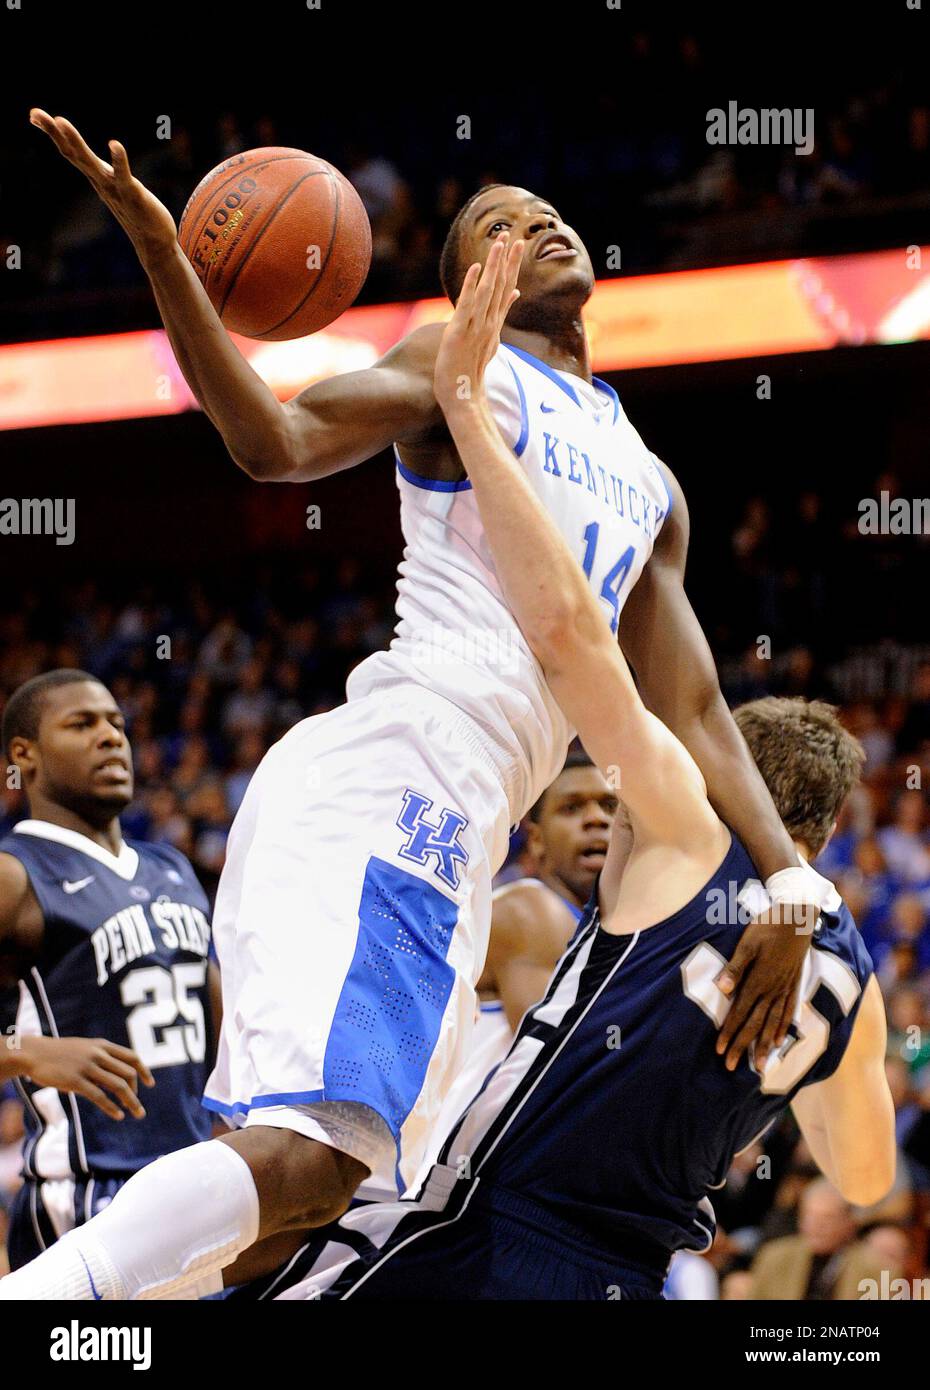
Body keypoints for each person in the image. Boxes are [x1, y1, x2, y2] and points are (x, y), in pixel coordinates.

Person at [7, 118, 824, 1301]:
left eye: (546, 206)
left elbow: (693, 707)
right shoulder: (460, 365)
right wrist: (161, 250)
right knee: (313, 1155)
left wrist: (788, 879)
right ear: (467, 280)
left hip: (461, 817)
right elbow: (273, 442)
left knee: (322, 1197)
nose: (535, 220)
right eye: (498, 222)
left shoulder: (649, 477)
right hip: (398, 770)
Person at [259, 244, 895, 1300]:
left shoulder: (688, 829)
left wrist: (467, 410)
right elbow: (867, 1174)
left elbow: (570, 639)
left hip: (494, 1228)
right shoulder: (855, 979)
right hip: (629, 1271)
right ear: (824, 830)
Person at [0, 670, 218, 1274]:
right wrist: (25, 1051)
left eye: (117, 724)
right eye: (83, 724)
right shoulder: (16, 874)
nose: (110, 737)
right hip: (90, 1202)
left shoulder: (171, 867)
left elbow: (220, 1023)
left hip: (198, 1190)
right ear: (26, 757)